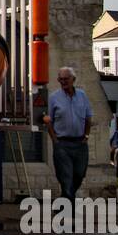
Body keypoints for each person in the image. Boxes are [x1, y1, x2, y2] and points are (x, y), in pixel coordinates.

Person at [45, 65, 93, 200]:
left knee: (79, 174)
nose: (63, 82)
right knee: (65, 177)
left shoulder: (82, 96)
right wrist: (55, 140)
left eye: (66, 79)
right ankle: (69, 210)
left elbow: (89, 117)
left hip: (80, 143)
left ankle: (63, 201)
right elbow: (48, 121)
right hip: (62, 143)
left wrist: (86, 136)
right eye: (61, 79)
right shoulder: (54, 98)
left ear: (73, 79)